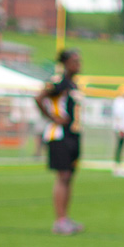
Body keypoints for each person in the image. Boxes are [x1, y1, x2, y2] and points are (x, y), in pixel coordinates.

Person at [37, 49, 82, 234]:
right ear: (65, 63)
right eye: (74, 61)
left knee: (69, 176)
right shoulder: (58, 82)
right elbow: (39, 98)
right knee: (63, 176)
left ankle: (66, 217)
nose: (78, 64)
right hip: (59, 135)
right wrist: (52, 117)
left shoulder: (74, 85)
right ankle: (60, 220)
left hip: (73, 135)